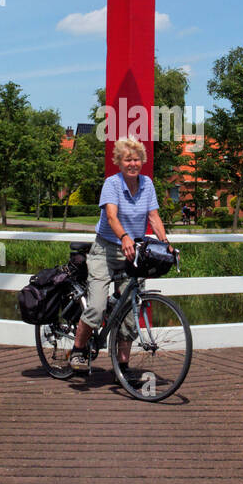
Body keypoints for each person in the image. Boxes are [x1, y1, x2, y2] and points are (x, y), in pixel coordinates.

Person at [70, 136, 172, 374]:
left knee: (129, 311)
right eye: (128, 160)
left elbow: (154, 217)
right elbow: (112, 216)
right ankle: (77, 349)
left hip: (132, 252)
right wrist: (125, 236)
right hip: (105, 250)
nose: (133, 164)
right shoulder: (112, 184)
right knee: (96, 307)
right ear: (120, 162)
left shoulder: (147, 185)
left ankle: (122, 367)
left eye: (136, 159)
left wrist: (165, 243)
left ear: (142, 161)